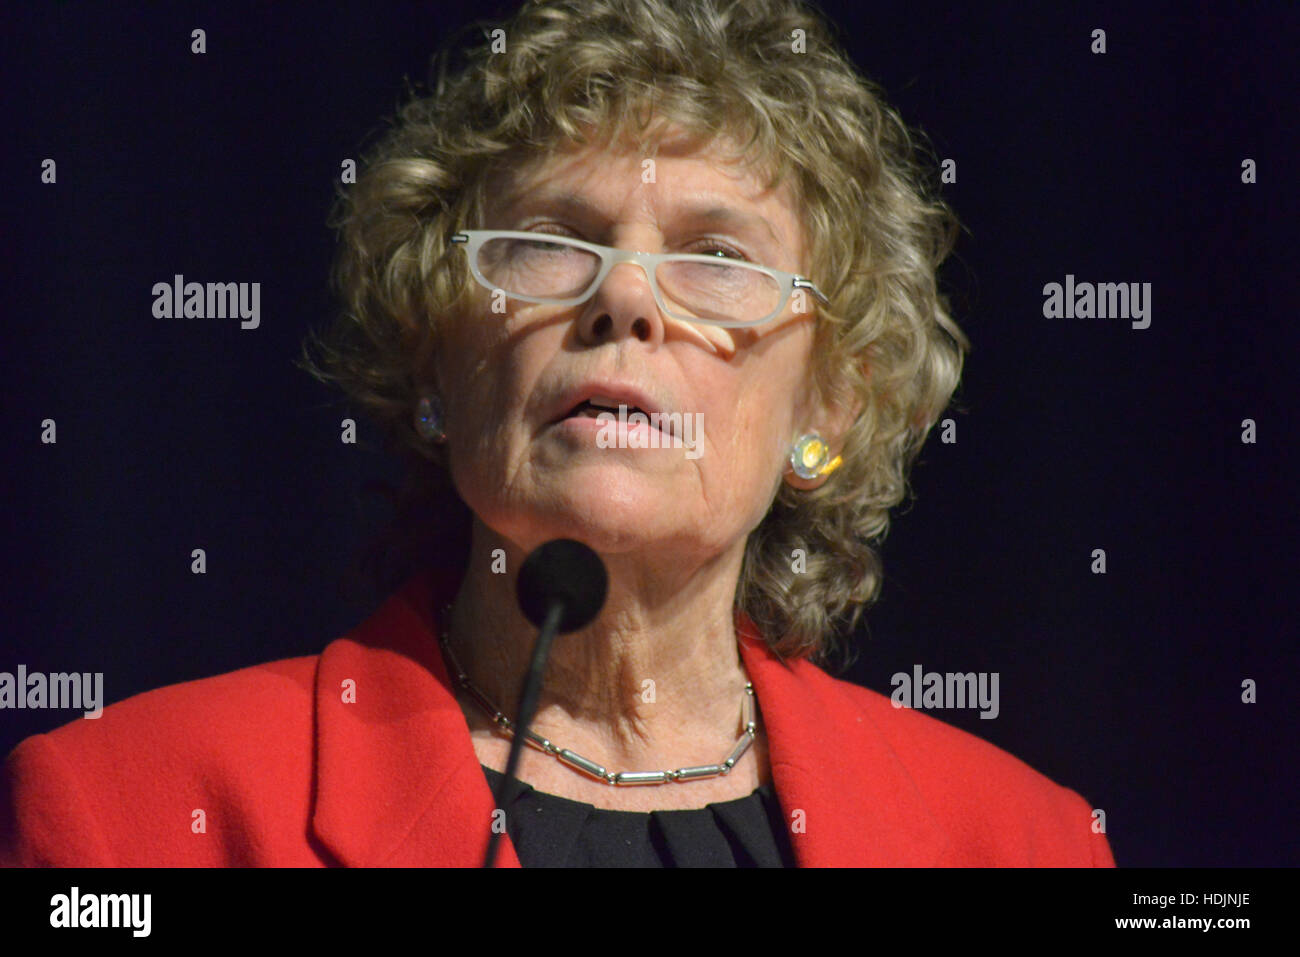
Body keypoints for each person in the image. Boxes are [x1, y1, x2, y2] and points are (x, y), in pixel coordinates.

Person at [1, 0, 1115, 867]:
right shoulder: (136, 809)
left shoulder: (1022, 841)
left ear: (827, 408)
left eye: (717, 259)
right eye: (550, 241)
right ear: (436, 361)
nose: (624, 298)